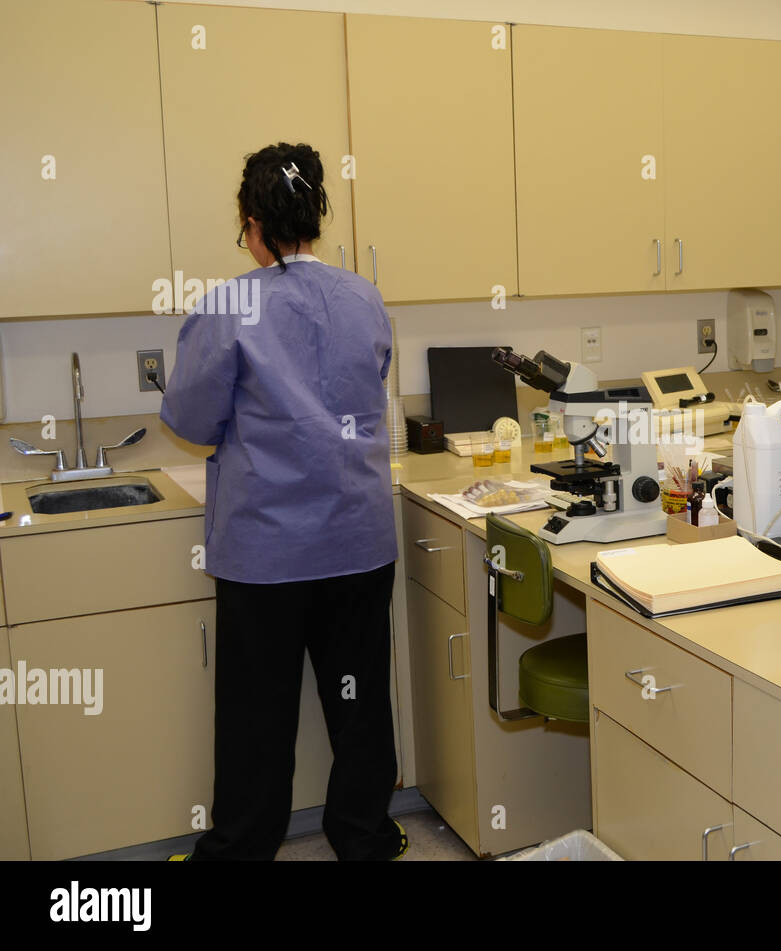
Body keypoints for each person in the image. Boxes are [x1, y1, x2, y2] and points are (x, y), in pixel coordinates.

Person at [160, 143, 404, 860]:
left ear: (253, 222)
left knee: (255, 719)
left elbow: (190, 421)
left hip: (267, 555)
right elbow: (370, 383)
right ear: (314, 214)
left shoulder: (231, 306)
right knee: (359, 706)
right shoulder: (364, 297)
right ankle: (365, 837)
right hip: (358, 543)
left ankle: (240, 849)